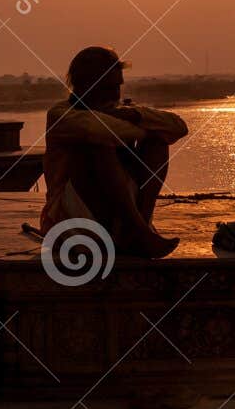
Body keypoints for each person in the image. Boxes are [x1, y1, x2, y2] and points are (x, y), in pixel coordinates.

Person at [41, 46, 188, 258]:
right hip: (75, 218)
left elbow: (178, 126)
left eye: (117, 87)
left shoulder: (122, 113)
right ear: (85, 86)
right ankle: (138, 231)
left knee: (157, 141)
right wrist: (141, 124)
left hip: (119, 214)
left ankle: (140, 229)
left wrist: (136, 115)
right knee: (99, 144)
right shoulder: (61, 115)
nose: (115, 94)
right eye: (107, 87)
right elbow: (100, 130)